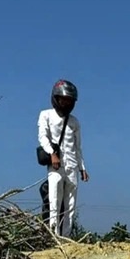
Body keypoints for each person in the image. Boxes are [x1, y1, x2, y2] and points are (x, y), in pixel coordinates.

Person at [37, 79, 89, 237]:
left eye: (69, 100)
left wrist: (82, 168)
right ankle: (54, 236)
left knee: (70, 205)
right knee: (54, 201)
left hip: (72, 165)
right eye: (63, 99)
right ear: (56, 98)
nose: (66, 103)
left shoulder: (74, 121)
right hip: (56, 166)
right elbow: (42, 137)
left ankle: (66, 237)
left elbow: (77, 147)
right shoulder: (46, 115)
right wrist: (52, 153)